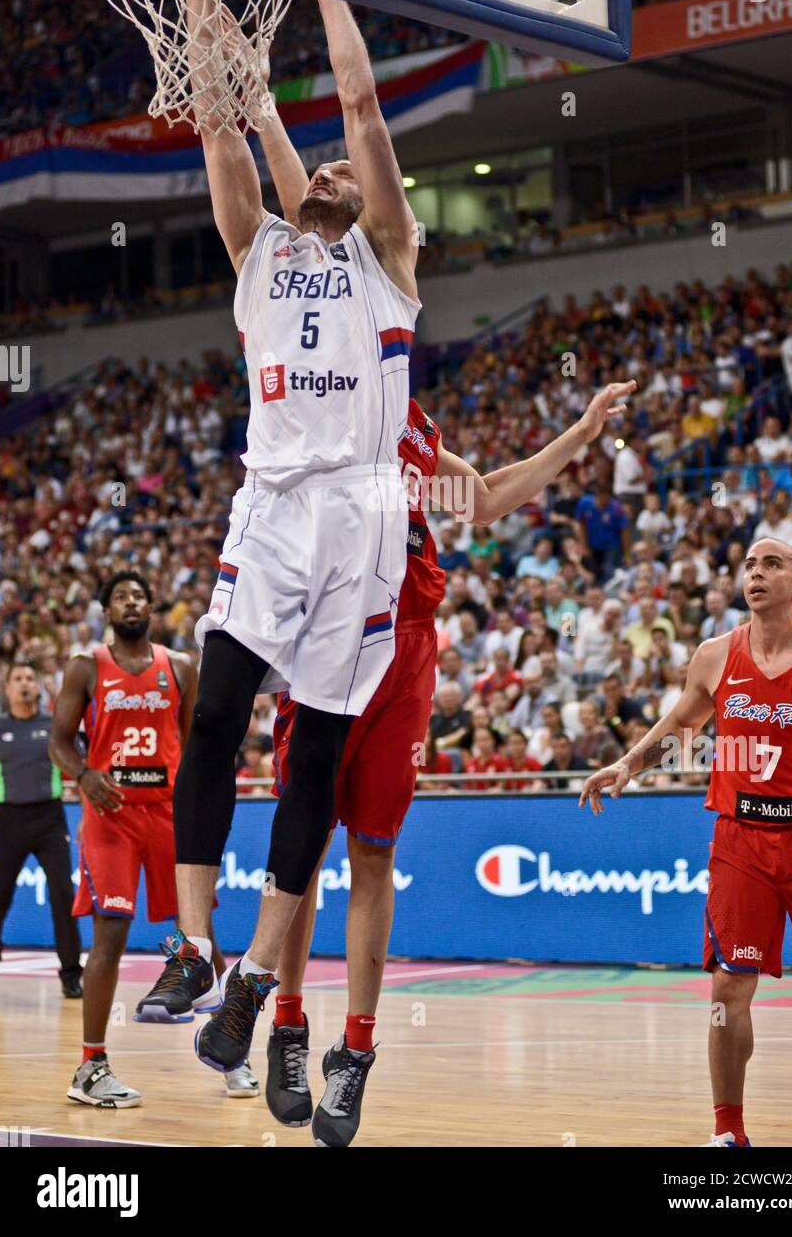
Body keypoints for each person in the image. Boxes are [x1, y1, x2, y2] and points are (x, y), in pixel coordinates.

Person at [135, 0, 420, 1068]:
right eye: (324, 175)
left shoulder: (387, 261)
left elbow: (359, 108)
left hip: (360, 517)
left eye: (346, 176)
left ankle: (261, 971)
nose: (341, 176)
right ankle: (197, 942)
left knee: (315, 755)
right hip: (270, 503)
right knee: (213, 715)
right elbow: (221, 124)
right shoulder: (259, 248)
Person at [265, 382, 636, 1144]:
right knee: (300, 845)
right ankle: (289, 1026)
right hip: (328, 632)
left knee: (374, 849)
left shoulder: (409, 422)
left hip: (406, 645)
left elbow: (490, 496)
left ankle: (357, 1048)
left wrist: (582, 431)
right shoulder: (306, 397)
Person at [580, 538, 792, 1149]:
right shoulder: (714, 656)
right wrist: (628, 765)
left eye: (773, 564)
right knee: (729, 988)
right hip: (741, 839)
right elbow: (681, 725)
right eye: (750, 564)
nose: (756, 572)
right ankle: (728, 1133)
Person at [49, 572, 254, 1106]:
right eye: (120, 596)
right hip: (110, 814)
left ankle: (232, 1053)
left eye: (139, 595)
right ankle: (90, 1068)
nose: (131, 602)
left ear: (151, 606)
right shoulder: (86, 666)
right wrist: (84, 774)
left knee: (200, 934)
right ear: (106, 610)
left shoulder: (179, 666)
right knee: (110, 931)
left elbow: (200, 748)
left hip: (168, 814)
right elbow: (59, 742)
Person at [0, 661, 81, 997]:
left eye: (30, 678)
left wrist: (87, 816)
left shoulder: (55, 726)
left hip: (49, 819)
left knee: (63, 896)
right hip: (7, 820)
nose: (25, 683)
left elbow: (80, 766)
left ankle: (71, 972)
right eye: (18, 678)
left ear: (38, 687)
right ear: (7, 687)